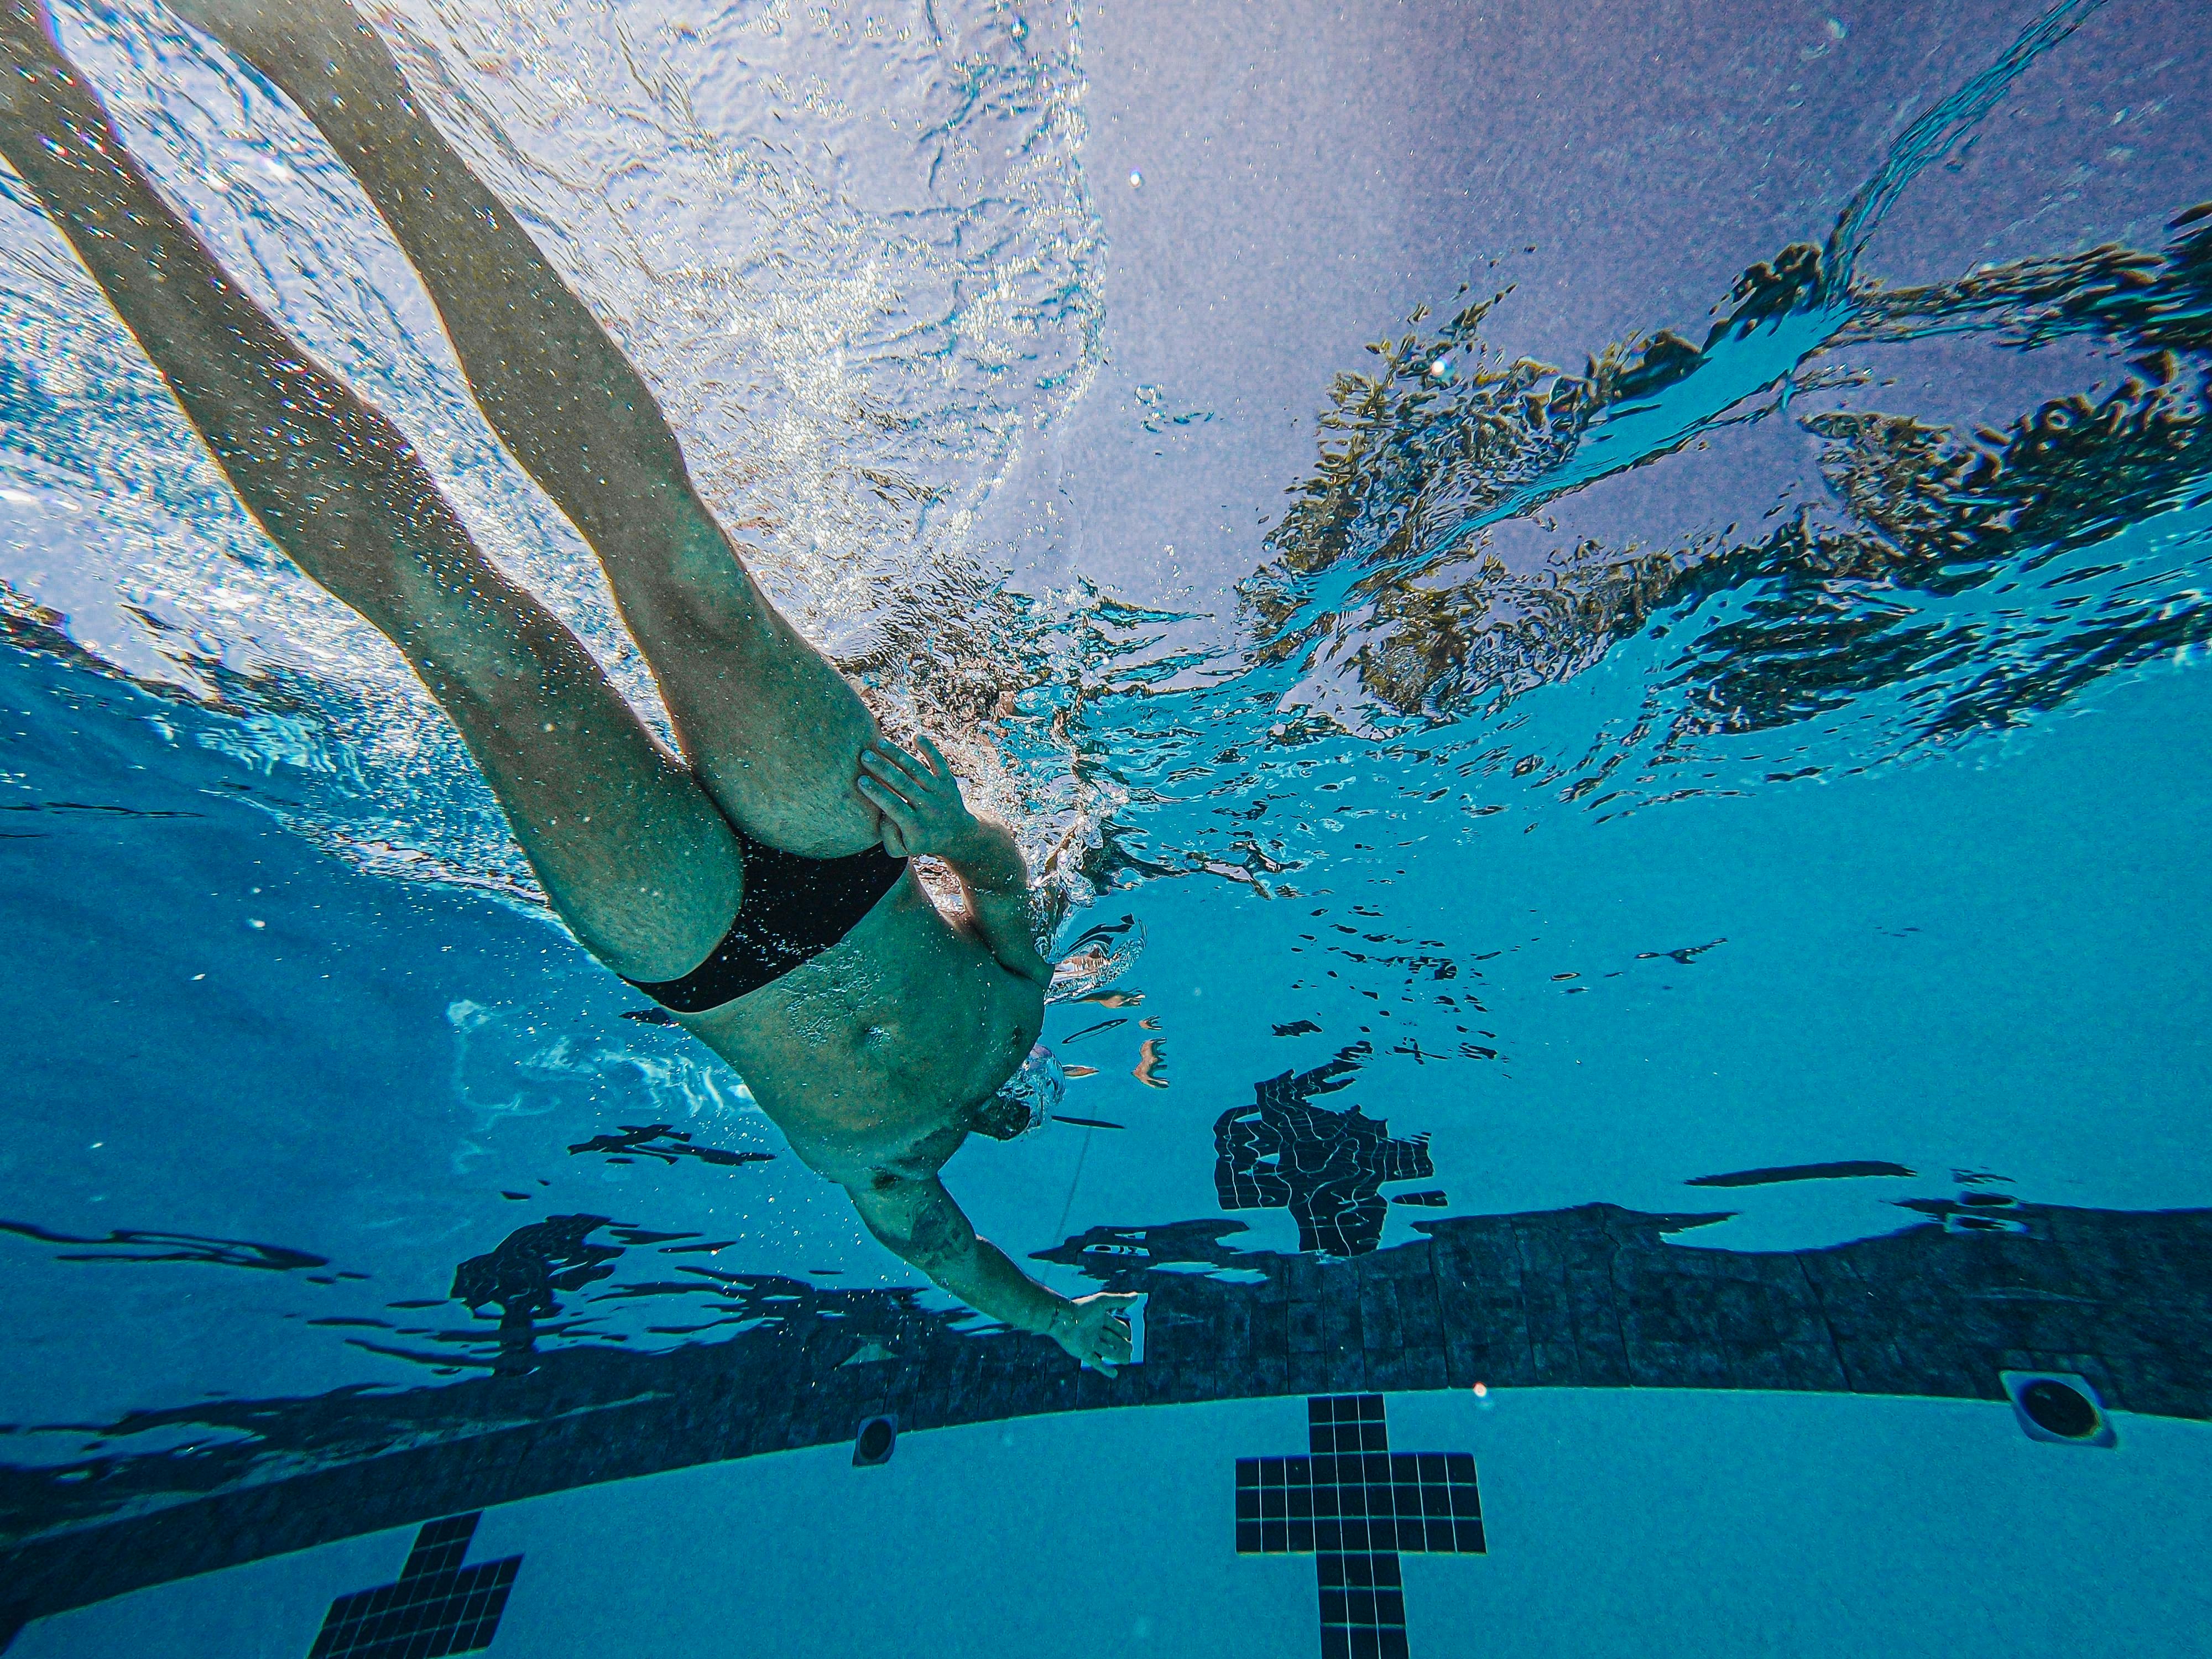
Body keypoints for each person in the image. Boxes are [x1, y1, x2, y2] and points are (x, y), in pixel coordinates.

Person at [0, 0, 1136, 1372]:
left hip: (692, 947)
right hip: (847, 854)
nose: (1023, 1120)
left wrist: (1063, 1325)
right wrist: (952, 831)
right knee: (685, 571)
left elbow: (973, 1271)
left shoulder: (893, 1186)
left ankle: (56, 143)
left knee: (462, 633)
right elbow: (1007, 885)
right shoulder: (1014, 1014)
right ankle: (354, 86)